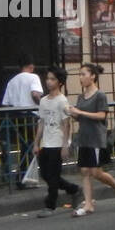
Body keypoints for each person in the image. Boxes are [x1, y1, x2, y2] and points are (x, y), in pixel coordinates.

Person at [66, 62, 115, 216]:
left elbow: (101, 115)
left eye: (83, 74)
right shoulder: (81, 96)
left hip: (96, 138)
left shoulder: (100, 95)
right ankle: (88, 204)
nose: (81, 78)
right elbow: (80, 118)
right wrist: (72, 113)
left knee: (96, 172)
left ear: (93, 76)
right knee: (85, 171)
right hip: (84, 137)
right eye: (79, 75)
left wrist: (80, 112)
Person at [32, 66, 80, 217]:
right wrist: (36, 143)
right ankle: (73, 189)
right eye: (47, 78)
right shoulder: (44, 101)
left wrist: (65, 144)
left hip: (58, 142)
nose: (48, 81)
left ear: (59, 82)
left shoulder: (62, 100)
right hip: (46, 142)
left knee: (53, 176)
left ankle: (50, 205)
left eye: (52, 79)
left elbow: (67, 123)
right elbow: (41, 123)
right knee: (45, 174)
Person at [1, 57, 43, 189]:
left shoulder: (12, 81)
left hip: (15, 117)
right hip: (30, 115)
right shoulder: (33, 77)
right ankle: (25, 178)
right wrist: (42, 105)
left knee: (22, 146)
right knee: (31, 146)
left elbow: (5, 103)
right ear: (31, 66)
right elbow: (35, 94)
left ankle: (19, 176)